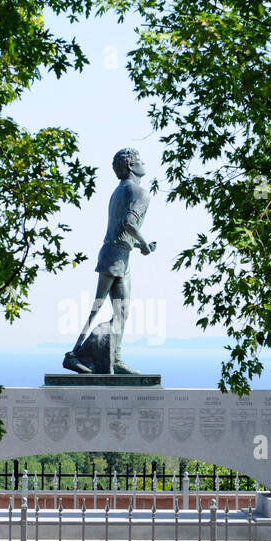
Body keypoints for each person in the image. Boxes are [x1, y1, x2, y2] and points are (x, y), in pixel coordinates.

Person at [64, 147, 155, 375]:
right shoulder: (140, 192)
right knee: (97, 307)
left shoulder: (118, 192)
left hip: (118, 255)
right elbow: (128, 224)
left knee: (120, 311)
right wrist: (143, 244)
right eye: (141, 160)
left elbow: (119, 231)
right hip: (114, 257)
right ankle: (73, 356)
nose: (145, 163)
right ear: (132, 166)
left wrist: (138, 245)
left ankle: (115, 358)